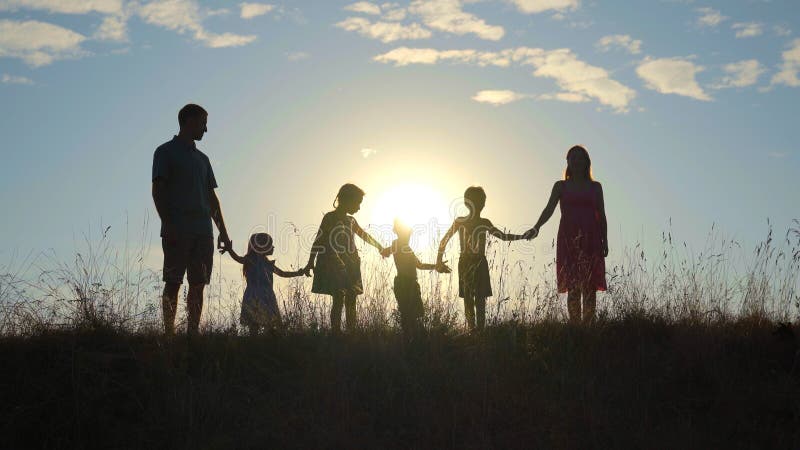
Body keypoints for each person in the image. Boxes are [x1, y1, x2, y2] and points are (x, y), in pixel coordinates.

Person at [151, 103, 232, 336]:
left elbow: (212, 199)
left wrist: (223, 233)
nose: (205, 129)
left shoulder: (203, 160)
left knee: (198, 284)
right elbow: (158, 190)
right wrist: (168, 222)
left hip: (203, 232)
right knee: (173, 282)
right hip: (177, 229)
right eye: (203, 123)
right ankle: (168, 334)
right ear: (188, 121)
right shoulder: (164, 152)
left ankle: (192, 334)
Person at [525, 145, 608, 324]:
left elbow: (601, 213)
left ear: (587, 162)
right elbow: (549, 209)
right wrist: (536, 227)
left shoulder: (595, 187)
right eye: (573, 158)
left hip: (591, 238)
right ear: (568, 162)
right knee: (573, 284)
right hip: (568, 238)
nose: (577, 161)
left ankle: (589, 325)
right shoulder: (561, 186)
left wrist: (605, 239)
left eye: (580, 158)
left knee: (589, 284)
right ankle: (575, 326)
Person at [436, 186, 530, 331]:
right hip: (466, 262)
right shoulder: (460, 221)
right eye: (479, 201)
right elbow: (444, 240)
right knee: (469, 298)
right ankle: (472, 329)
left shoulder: (484, 222)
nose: (482, 204)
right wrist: (438, 261)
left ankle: (479, 330)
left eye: (482, 201)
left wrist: (522, 236)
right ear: (468, 203)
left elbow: (503, 237)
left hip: (480, 262)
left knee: (479, 299)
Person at [303, 183, 386, 332]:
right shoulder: (330, 217)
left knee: (351, 298)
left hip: (352, 263)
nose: (359, 208)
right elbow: (319, 240)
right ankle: (336, 332)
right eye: (357, 203)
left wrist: (379, 247)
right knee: (338, 297)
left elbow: (364, 235)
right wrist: (310, 262)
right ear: (347, 200)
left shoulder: (351, 221)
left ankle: (351, 332)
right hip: (335, 264)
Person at [220, 233, 306, 335]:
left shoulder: (268, 263)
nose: (273, 247)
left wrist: (298, 273)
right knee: (254, 325)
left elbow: (283, 273)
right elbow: (237, 258)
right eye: (270, 244)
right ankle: (255, 344)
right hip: (257, 295)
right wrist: (230, 250)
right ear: (261, 246)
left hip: (264, 295)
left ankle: (264, 343)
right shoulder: (250, 259)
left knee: (268, 324)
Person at [381, 219, 451, 336]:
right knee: (408, 315)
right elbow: (388, 251)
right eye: (407, 234)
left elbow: (420, 265)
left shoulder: (407, 248)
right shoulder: (397, 244)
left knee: (412, 315)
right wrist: (385, 251)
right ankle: (414, 338)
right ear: (400, 233)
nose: (409, 236)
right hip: (405, 283)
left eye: (409, 234)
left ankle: (415, 337)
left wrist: (437, 266)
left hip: (411, 284)